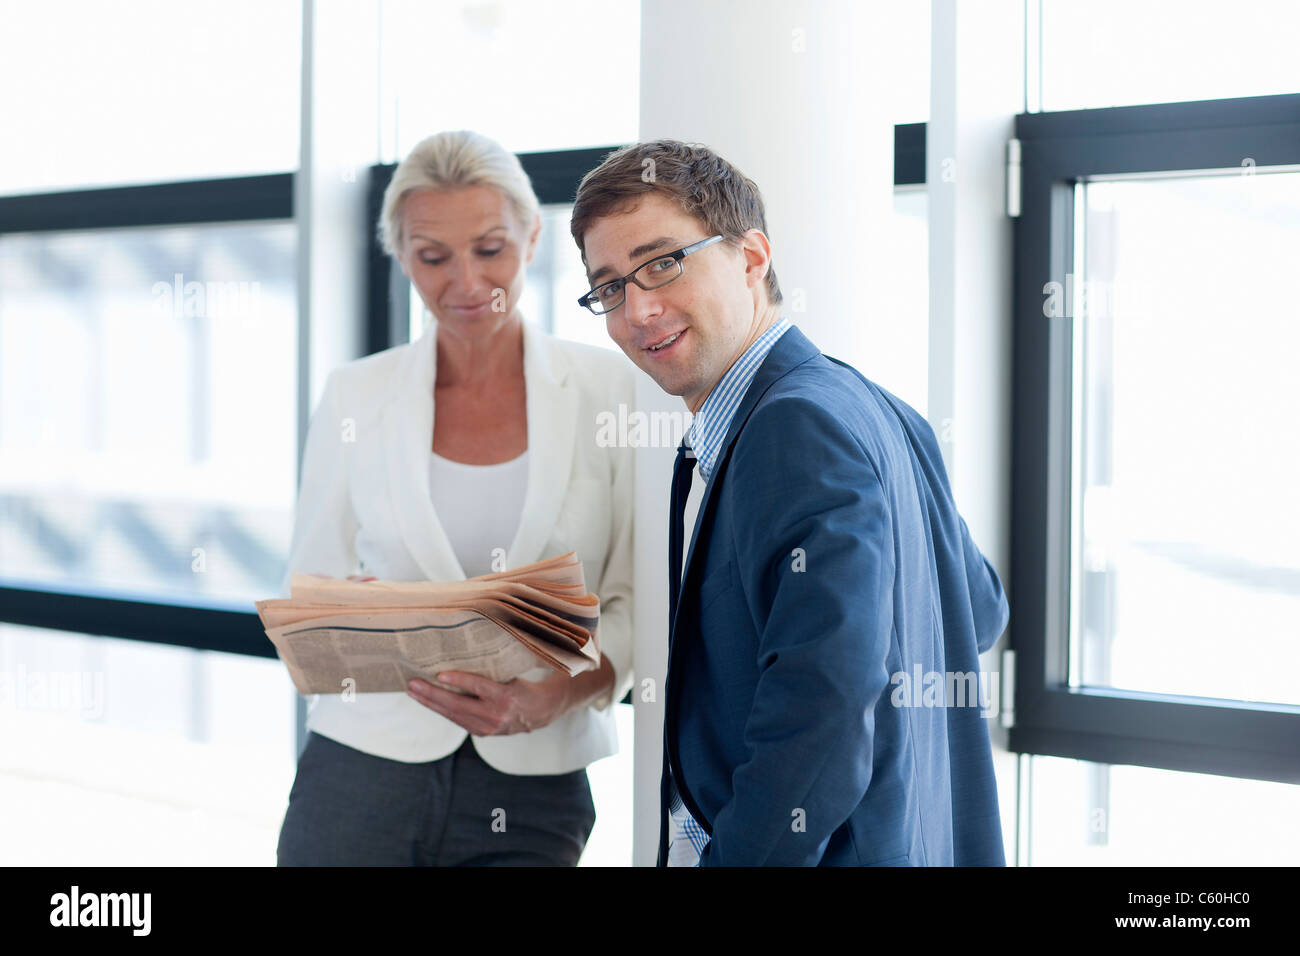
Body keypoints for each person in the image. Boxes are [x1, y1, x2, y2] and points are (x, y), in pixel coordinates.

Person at [570, 140, 1009, 866]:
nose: (638, 309)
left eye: (662, 263)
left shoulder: (791, 426)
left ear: (751, 257)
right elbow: (980, 609)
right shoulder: (876, 406)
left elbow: (824, 714)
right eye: (610, 287)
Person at [275, 130, 635, 866]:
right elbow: (307, 591)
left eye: (491, 248)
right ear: (402, 256)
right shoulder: (357, 394)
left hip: (535, 775)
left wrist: (552, 696)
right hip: (362, 765)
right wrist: (358, 619)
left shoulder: (611, 390)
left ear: (534, 238)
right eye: (432, 257)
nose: (467, 283)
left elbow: (639, 604)